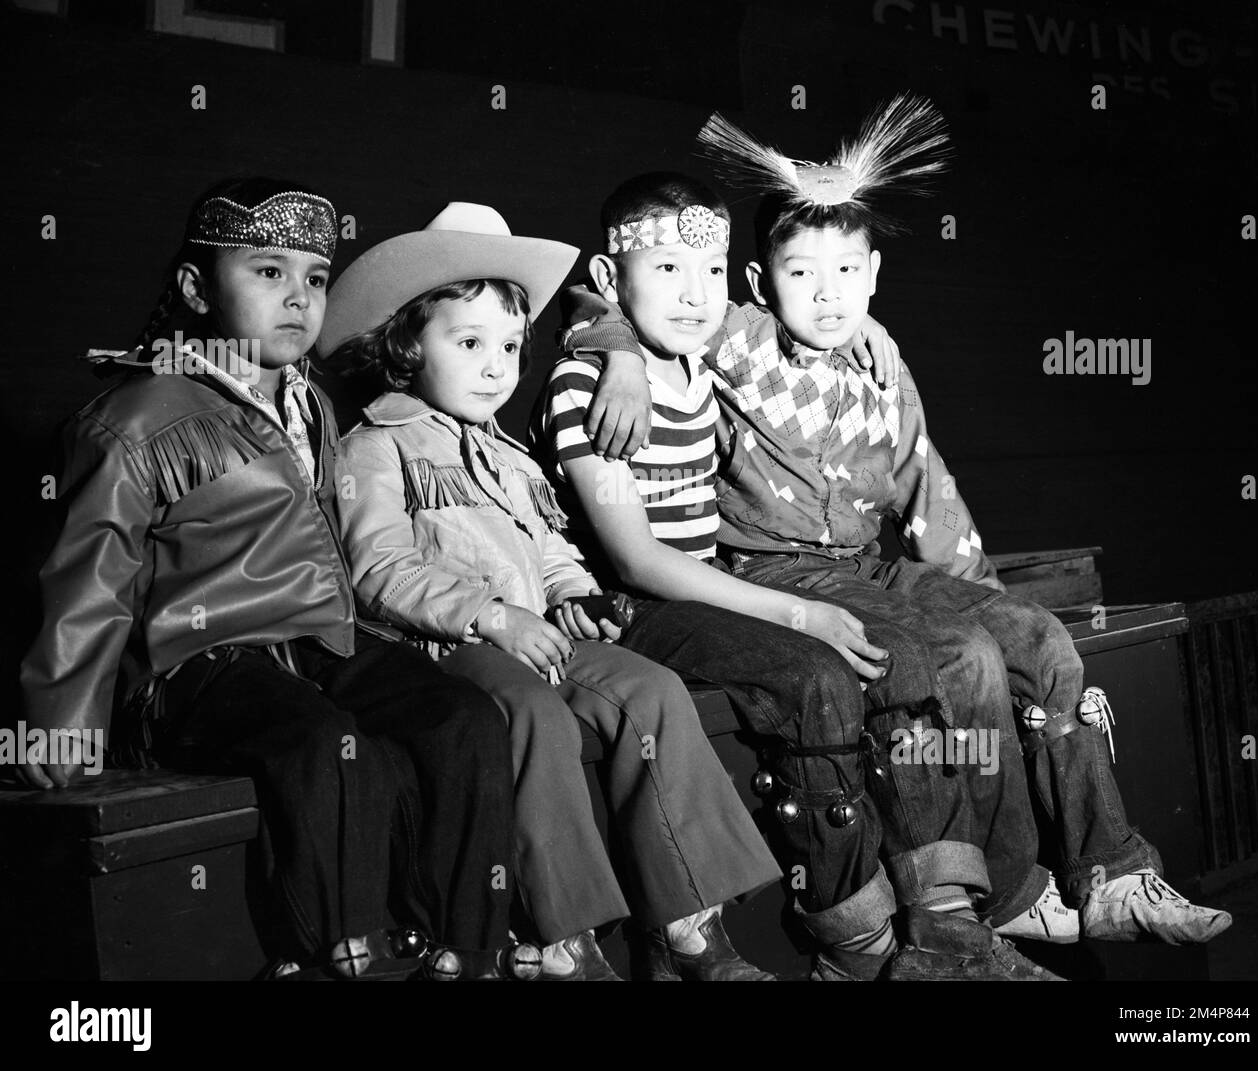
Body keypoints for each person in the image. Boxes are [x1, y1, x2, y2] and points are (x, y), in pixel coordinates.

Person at [564, 97, 1233, 945]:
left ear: (874, 273)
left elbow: (927, 490)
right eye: (802, 274)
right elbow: (621, 300)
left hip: (867, 563)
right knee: (960, 658)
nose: (828, 294)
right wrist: (619, 352)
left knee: (1033, 639)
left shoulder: (884, 368)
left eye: (847, 272)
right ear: (761, 282)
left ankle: (1113, 875)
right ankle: (1009, 892)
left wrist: (988, 600)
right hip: (777, 567)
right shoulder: (733, 336)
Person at [531, 172, 1059, 980]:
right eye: (667, 268)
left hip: (706, 582)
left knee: (897, 658)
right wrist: (799, 613)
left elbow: (792, 327)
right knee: (818, 675)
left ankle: (945, 923)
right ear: (612, 275)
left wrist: (862, 321)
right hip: (632, 605)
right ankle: (854, 936)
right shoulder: (591, 384)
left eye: (711, 270)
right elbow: (636, 560)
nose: (695, 294)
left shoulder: (702, 367)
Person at [17, 177, 519, 980]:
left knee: (462, 718)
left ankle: (465, 948)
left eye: (315, 278)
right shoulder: (133, 418)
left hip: (315, 642)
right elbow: (89, 579)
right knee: (325, 745)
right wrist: (61, 724)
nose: (298, 297)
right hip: (196, 664)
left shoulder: (310, 404)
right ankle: (337, 956)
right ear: (196, 288)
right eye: (268, 272)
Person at [320, 202, 783, 981]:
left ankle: (690, 924)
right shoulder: (375, 447)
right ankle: (563, 938)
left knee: (654, 691)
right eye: (469, 343)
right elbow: (378, 569)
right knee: (530, 714)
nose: (496, 366)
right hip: (451, 648)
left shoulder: (513, 459)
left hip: (543, 633)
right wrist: (490, 615)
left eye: (509, 346)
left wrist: (575, 594)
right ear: (408, 345)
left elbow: (551, 546)